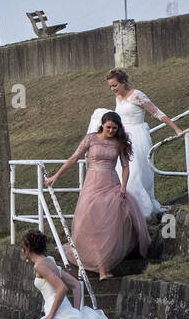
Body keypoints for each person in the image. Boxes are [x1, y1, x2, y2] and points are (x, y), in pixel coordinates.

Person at [46, 112, 150, 280]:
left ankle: (105, 267)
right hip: (92, 184)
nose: (111, 131)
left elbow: (125, 167)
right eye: (108, 127)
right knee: (90, 221)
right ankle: (99, 265)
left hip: (111, 183)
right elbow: (74, 158)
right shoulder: (91, 139)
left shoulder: (119, 143)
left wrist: (123, 187)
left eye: (114, 128)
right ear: (102, 124)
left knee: (110, 222)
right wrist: (55, 176)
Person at [86, 69, 183, 219]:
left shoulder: (137, 95)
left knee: (136, 173)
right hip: (123, 137)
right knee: (122, 173)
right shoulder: (118, 98)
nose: (113, 89)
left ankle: (141, 210)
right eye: (110, 86)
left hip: (138, 136)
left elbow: (156, 112)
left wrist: (176, 129)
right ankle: (126, 209)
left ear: (123, 82)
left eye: (115, 85)